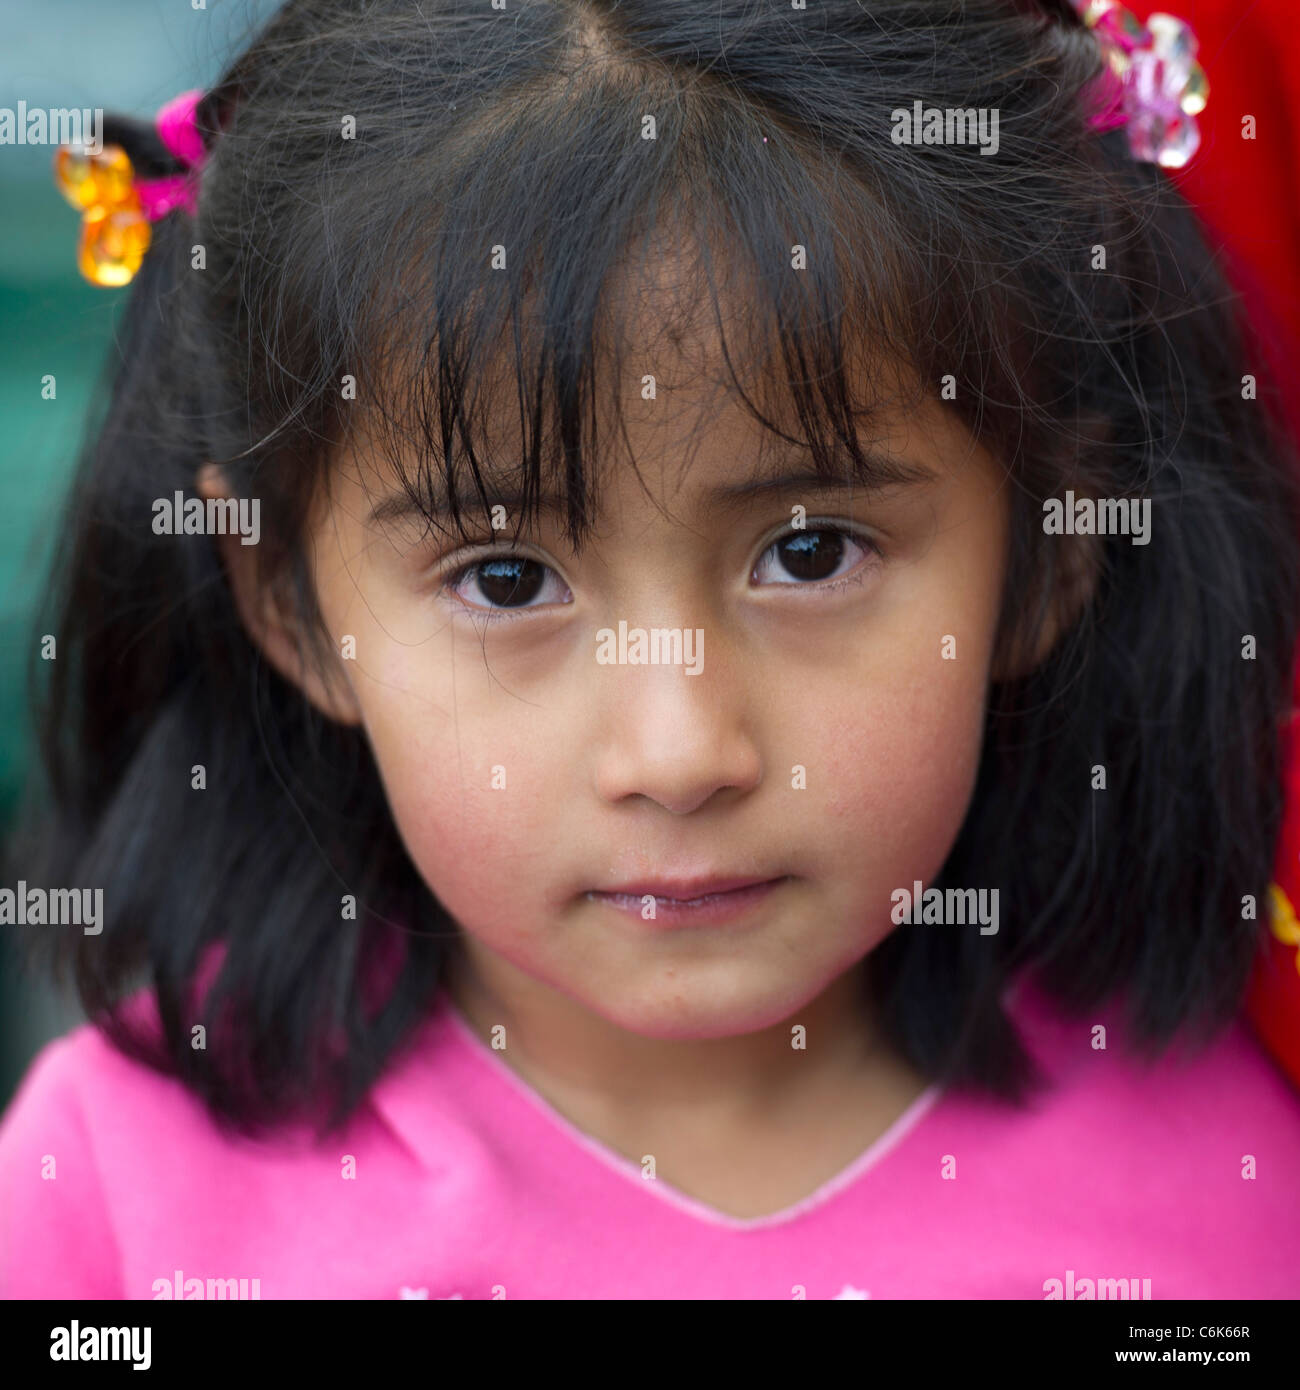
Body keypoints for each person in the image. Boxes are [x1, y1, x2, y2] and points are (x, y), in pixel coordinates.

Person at [2, 0, 1298, 1299]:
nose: (679, 753)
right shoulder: (115, 1191)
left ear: (1049, 550)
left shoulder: (1239, 1183)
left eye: (811, 553)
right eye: (506, 579)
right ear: (289, 598)